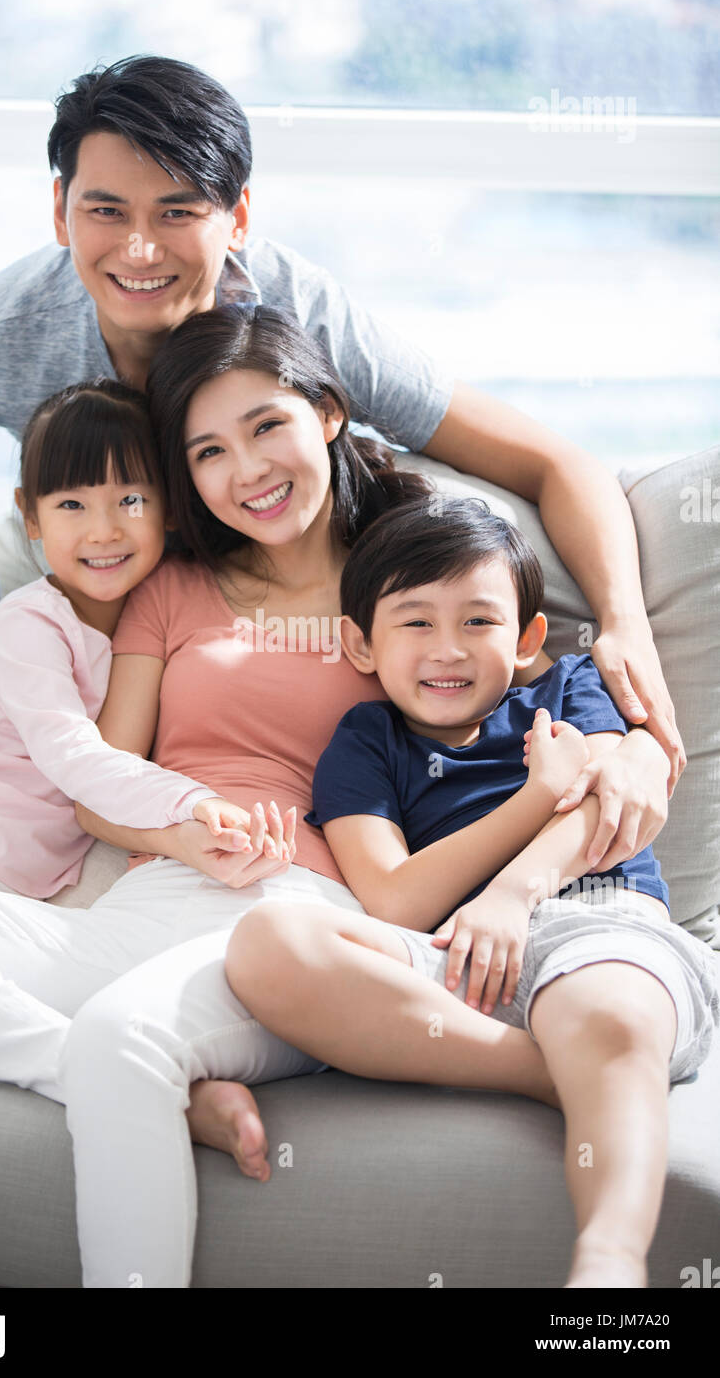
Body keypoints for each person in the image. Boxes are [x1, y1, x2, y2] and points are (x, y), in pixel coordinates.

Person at [44, 304, 681, 1288]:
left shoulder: (419, 576)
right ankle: (576, 1066)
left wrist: (630, 704)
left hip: (420, 903)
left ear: (328, 414)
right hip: (293, 909)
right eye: (208, 450)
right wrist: (189, 830)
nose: (248, 470)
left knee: (159, 1008)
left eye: (266, 426)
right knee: (153, 987)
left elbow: (595, 765)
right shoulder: (242, 639)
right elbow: (99, 782)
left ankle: (605, 1225)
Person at [0, 55, 685, 783]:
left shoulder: (300, 319)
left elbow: (555, 464)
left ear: (238, 216)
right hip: (100, 581)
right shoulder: (3, 328)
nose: (139, 250)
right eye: (106, 211)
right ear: (60, 208)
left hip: (274, 603)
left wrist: (623, 628)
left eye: (177, 212)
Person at [226, 496, 719, 1288]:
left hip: (592, 921)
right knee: (271, 941)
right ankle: (553, 1067)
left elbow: (607, 809)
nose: (446, 650)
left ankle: (609, 1265)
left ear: (526, 638)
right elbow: (390, 899)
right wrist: (532, 798)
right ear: (360, 641)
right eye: (415, 622)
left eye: (479, 622)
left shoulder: (567, 687)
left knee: (606, 1010)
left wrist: (514, 895)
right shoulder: (365, 741)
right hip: (451, 958)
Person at [0, 376, 292, 1169]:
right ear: (28, 516)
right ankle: (94, 1076)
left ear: (168, 507)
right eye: (70, 506)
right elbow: (77, 760)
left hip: (0, 904)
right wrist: (196, 806)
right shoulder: (29, 623)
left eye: (131, 500)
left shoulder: (160, 630)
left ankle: (105, 1069)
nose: (103, 530)